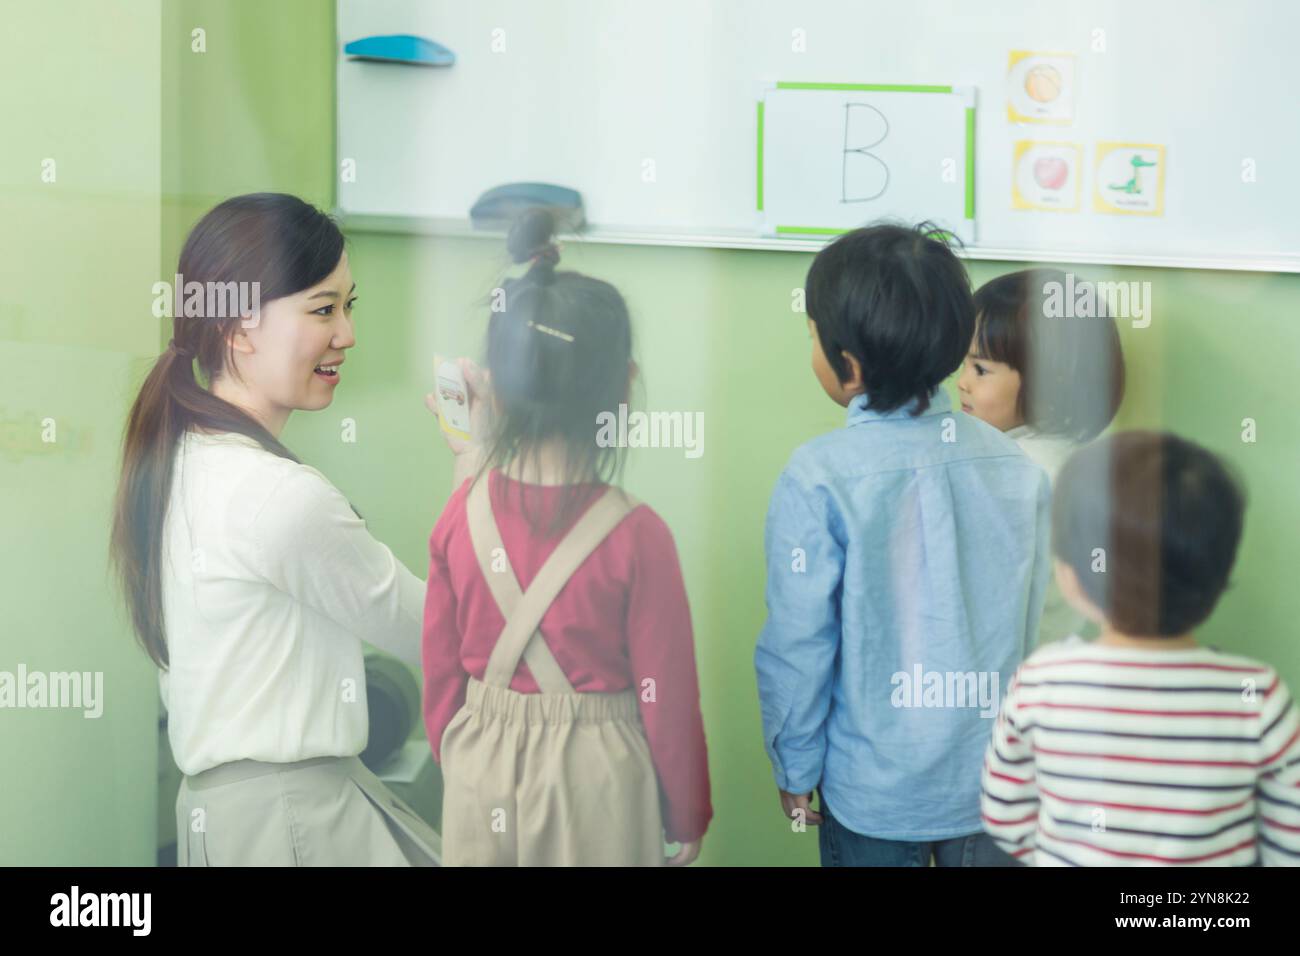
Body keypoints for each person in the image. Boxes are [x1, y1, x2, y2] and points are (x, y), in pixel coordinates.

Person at [110, 193, 446, 865]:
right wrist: (483, 470)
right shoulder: (276, 497)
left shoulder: (182, 463)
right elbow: (443, 632)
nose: (346, 334)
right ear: (238, 330)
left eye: (350, 307)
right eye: (323, 309)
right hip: (296, 820)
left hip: (228, 818)